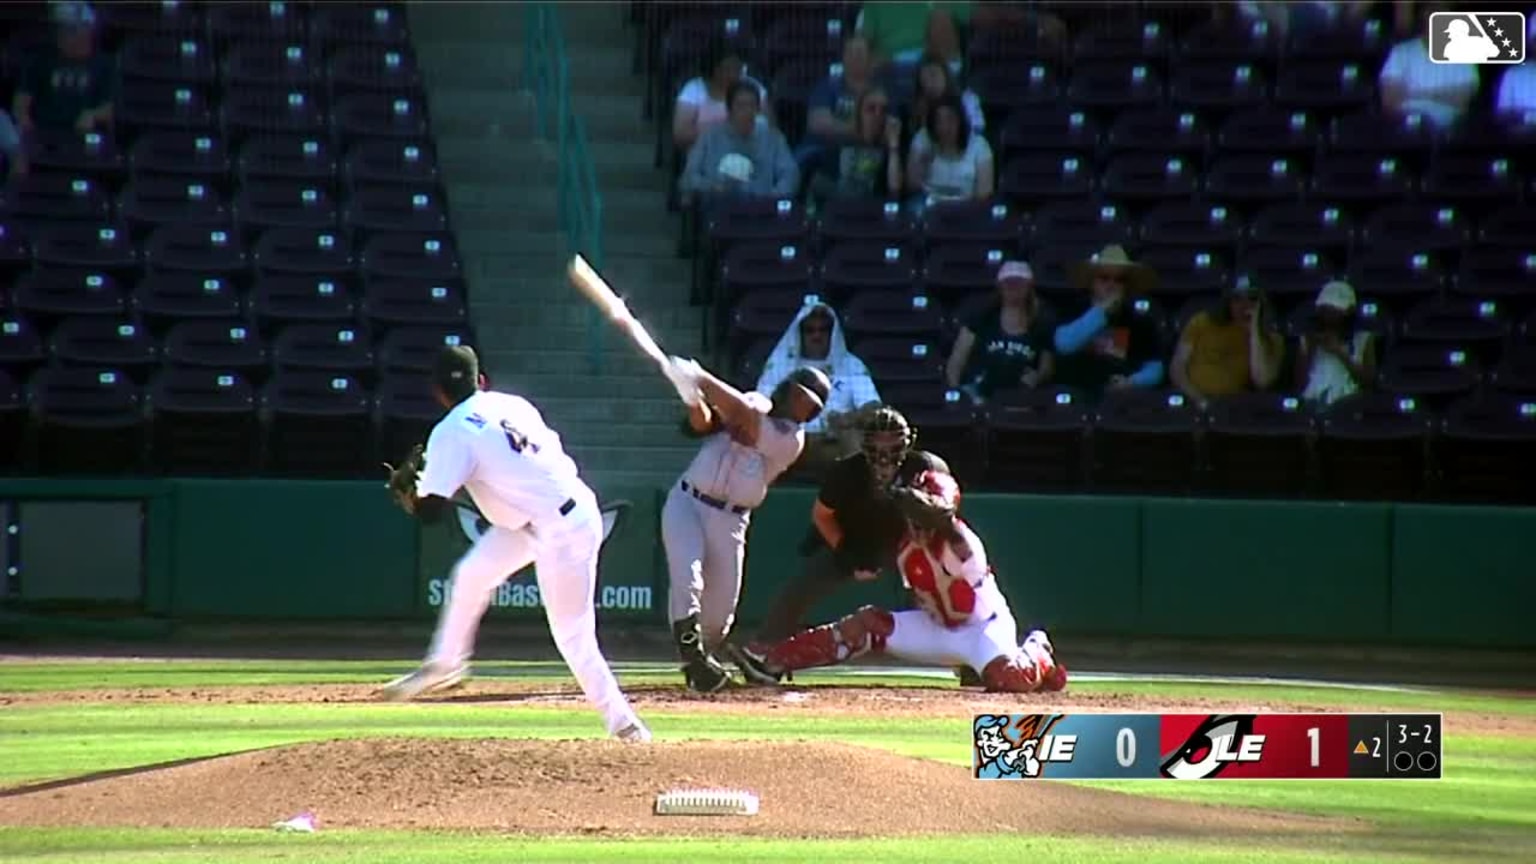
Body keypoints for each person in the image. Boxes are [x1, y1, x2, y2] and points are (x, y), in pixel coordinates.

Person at [378, 346, 650, 743]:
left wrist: (412, 500)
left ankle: (626, 725)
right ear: (481, 381)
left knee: (574, 636)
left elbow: (431, 514)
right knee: (471, 575)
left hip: (558, 530)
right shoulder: (512, 404)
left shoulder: (450, 430)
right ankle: (446, 663)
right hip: (552, 515)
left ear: (437, 391)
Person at [731, 470, 1068, 693]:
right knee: (867, 623)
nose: (919, 525)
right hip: (936, 628)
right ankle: (773, 661)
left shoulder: (961, 543)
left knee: (1009, 678)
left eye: (926, 517)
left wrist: (920, 502)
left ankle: (1037, 649)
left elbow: (942, 521)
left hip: (982, 628)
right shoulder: (906, 548)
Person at [724, 406, 951, 670]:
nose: (885, 453)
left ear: (908, 442)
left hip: (907, 541)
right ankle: (762, 651)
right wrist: (847, 553)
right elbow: (822, 515)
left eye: (892, 443)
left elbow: (946, 512)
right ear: (865, 444)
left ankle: (970, 658)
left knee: (946, 585)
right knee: (802, 587)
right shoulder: (846, 472)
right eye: (877, 444)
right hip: (854, 538)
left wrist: (922, 546)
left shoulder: (926, 468)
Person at [661, 357, 829, 692]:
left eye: (810, 406)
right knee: (687, 577)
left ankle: (701, 654)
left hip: (731, 519)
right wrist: (693, 398)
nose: (801, 407)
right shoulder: (754, 399)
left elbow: (746, 421)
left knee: (718, 619)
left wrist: (699, 377)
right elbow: (703, 423)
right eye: (800, 396)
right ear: (786, 389)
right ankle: (693, 660)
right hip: (687, 503)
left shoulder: (792, 441)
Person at [756, 300, 883, 475]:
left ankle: (856, 497)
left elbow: (873, 407)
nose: (817, 336)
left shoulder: (850, 365)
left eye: (823, 330)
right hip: (787, 440)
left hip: (831, 443)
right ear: (800, 333)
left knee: (854, 438)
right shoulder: (779, 365)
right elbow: (761, 405)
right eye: (810, 330)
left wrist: (849, 418)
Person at [1052, 245, 1165, 399]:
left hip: (1119, 403)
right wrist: (1101, 312)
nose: (1111, 285)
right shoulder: (1073, 310)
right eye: (1104, 278)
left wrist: (1132, 382)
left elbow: (1155, 368)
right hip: (1074, 398)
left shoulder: (1139, 322)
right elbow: (1063, 344)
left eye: (1119, 280)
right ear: (1092, 282)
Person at [945, 260, 1055, 404]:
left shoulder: (1041, 325)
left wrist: (1036, 377)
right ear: (1000, 286)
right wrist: (958, 395)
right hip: (977, 394)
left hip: (1021, 398)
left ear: (1029, 287)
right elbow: (956, 362)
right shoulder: (980, 319)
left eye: (1019, 283)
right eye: (1009, 283)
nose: (1013, 287)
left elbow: (1046, 367)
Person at [1171, 275, 1286, 408]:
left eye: (1252, 298)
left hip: (1232, 408)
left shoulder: (1273, 338)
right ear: (1228, 302)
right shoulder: (1202, 322)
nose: (1245, 305)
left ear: (1262, 303)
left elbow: (1262, 380)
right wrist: (1199, 400)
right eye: (1237, 299)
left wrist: (1254, 331)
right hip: (1190, 398)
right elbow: (1177, 369)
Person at [679, 80, 798, 205]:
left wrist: (773, 197)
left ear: (758, 109)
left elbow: (790, 174)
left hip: (761, 206)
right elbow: (688, 177)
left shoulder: (773, 138)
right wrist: (711, 187)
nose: (747, 111)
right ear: (729, 109)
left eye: (751, 105)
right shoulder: (709, 137)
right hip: (718, 206)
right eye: (741, 106)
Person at [12, 2, 116, 143]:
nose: (61, 34)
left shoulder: (105, 64)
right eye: (59, 29)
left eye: (69, 29)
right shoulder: (40, 59)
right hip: (43, 135)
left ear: (87, 30)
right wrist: (24, 122)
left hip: (83, 136)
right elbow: (21, 101)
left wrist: (93, 115)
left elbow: (111, 107)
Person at [1380, 6, 1481, 131]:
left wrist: (1415, 93)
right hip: (1404, 127)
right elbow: (1389, 100)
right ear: (1424, 16)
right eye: (1432, 12)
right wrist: (1442, 95)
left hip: (1447, 132)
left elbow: (1463, 101)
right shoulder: (1401, 52)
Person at [805, 87, 905, 210]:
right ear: (859, 115)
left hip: (875, 216)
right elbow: (818, 188)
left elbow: (895, 192)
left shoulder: (893, 152)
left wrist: (893, 145)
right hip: (841, 214)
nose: (878, 115)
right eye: (871, 109)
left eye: (884, 110)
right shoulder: (838, 148)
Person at [798, 35, 878, 174]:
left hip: (866, 154)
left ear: (871, 59)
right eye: (849, 52)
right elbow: (817, 123)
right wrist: (860, 129)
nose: (854, 57)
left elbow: (884, 127)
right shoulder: (828, 86)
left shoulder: (880, 91)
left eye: (859, 53)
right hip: (823, 150)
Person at [672, 39, 769, 154]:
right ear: (713, 69)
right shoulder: (694, 89)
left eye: (737, 68)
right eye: (727, 69)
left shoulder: (754, 87)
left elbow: (770, 129)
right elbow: (681, 136)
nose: (733, 74)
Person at [905, 91, 994, 214]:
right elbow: (912, 184)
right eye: (938, 120)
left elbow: (984, 192)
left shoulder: (979, 145)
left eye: (950, 119)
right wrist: (923, 165)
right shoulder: (923, 138)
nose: (944, 126)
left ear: (960, 121)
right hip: (929, 204)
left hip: (967, 207)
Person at [1296, 280, 1378, 406]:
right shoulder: (1307, 337)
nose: (1329, 316)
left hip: (1349, 405)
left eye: (1335, 310)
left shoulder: (1363, 337)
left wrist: (1340, 353)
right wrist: (1309, 349)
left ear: (1349, 311)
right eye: (1325, 310)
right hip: (1311, 402)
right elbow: (1299, 384)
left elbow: (1369, 383)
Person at [904, 53, 986, 150]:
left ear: (945, 75)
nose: (930, 83)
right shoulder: (918, 108)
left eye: (933, 75)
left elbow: (977, 129)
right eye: (924, 79)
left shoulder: (967, 99)